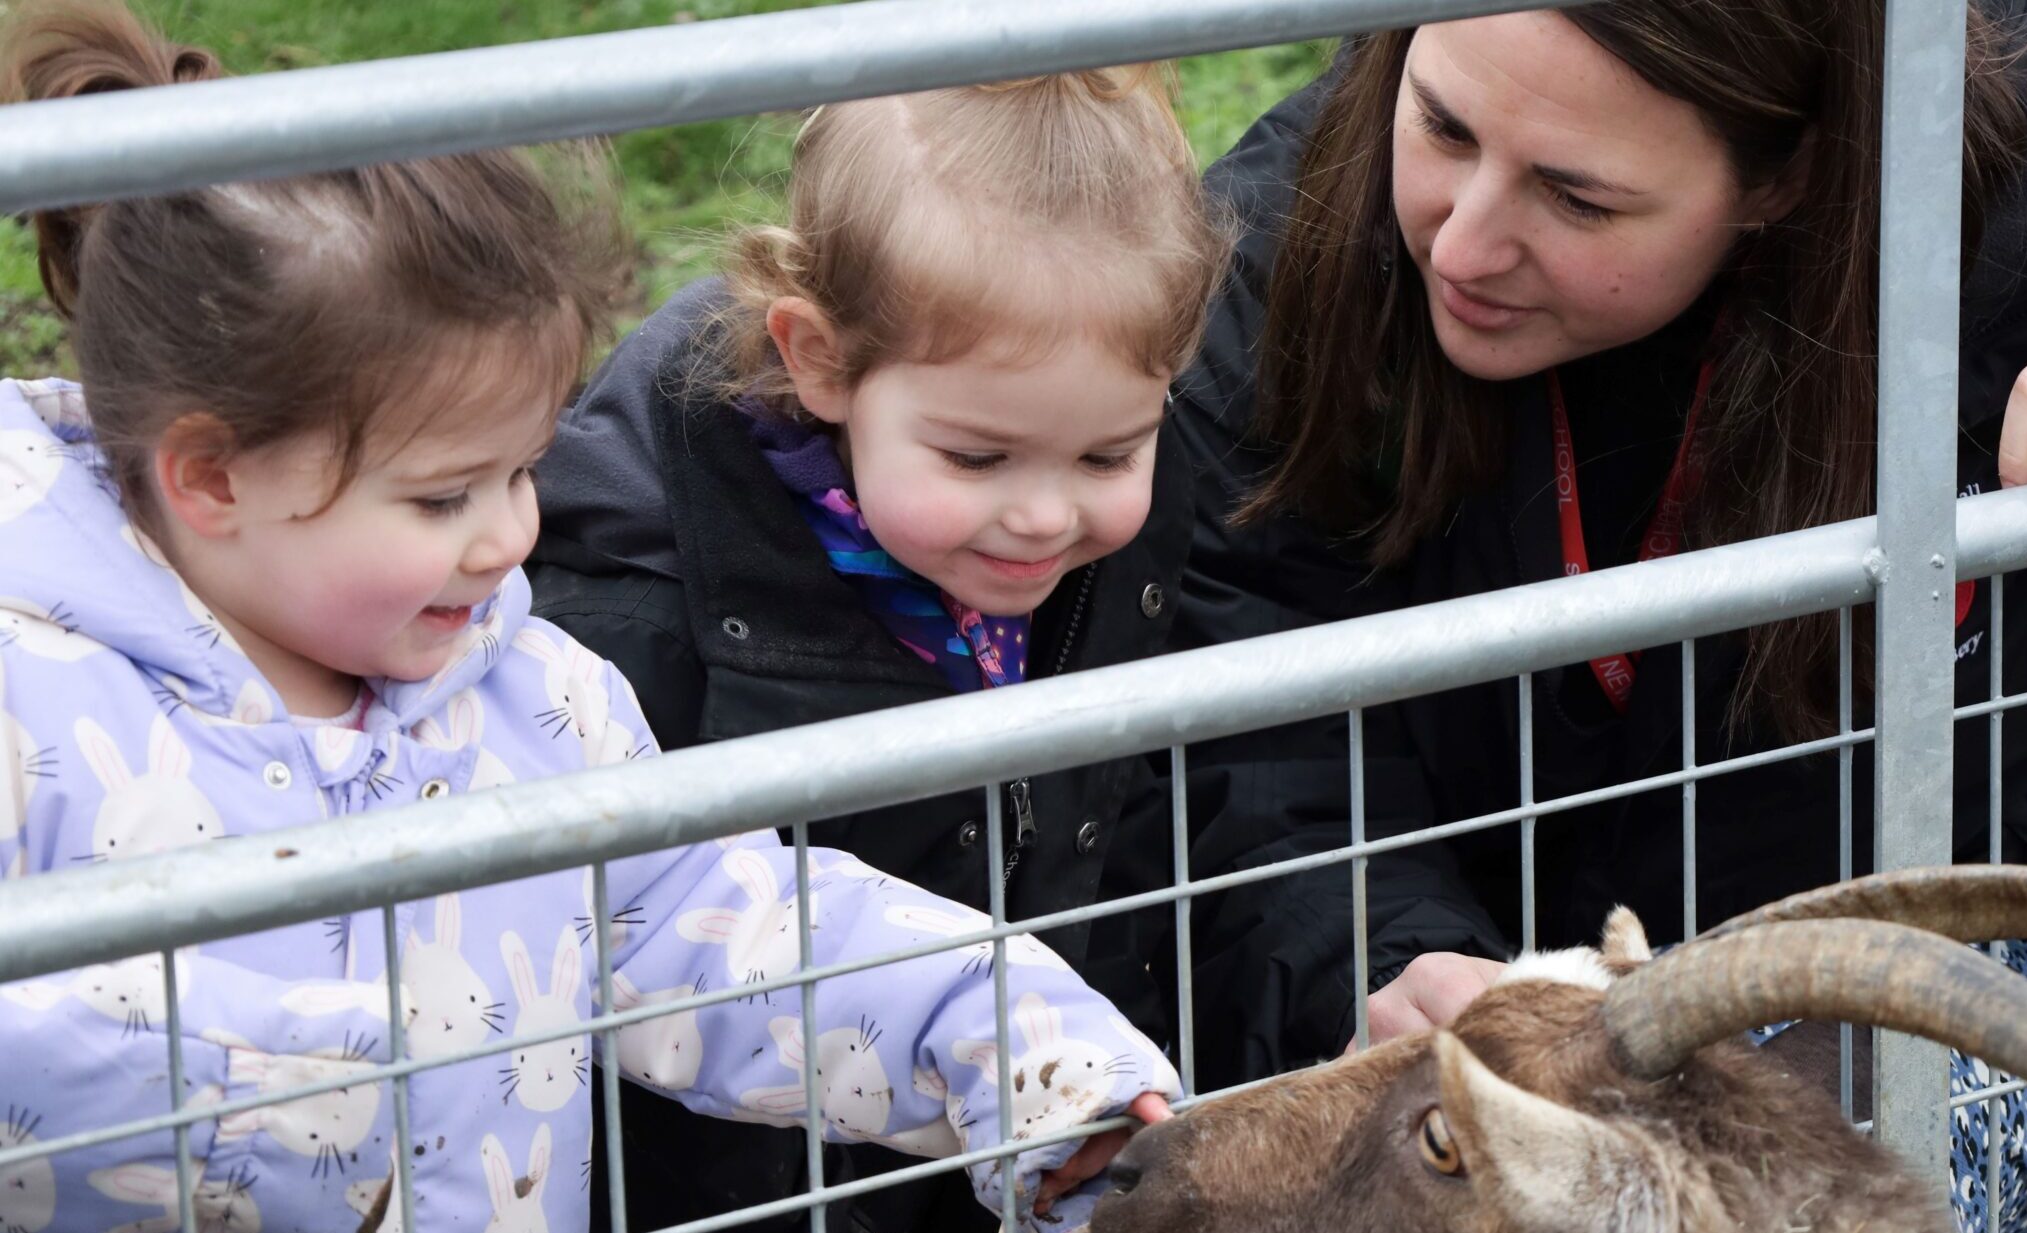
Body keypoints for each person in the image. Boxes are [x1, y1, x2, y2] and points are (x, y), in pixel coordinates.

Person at [1166, 2, 2027, 1228]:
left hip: (1991, 967)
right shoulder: (1305, 233)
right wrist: (1381, 948)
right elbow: (1233, 668)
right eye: (1441, 124)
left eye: (1578, 199)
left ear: (1788, 174)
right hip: (1516, 989)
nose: (1463, 240)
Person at [0, 5, 1176, 1231]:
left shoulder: (527, 697)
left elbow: (725, 927)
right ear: (212, 477)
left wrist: (1009, 1042)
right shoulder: (34, 710)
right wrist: (269, 1097)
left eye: (520, 470)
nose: (509, 537)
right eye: (443, 496)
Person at [526, 67, 1225, 1231]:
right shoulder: (629, 628)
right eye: (976, 458)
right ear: (819, 360)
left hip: (1028, 1123)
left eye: (1108, 456)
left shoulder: (1119, 535)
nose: (1045, 515)